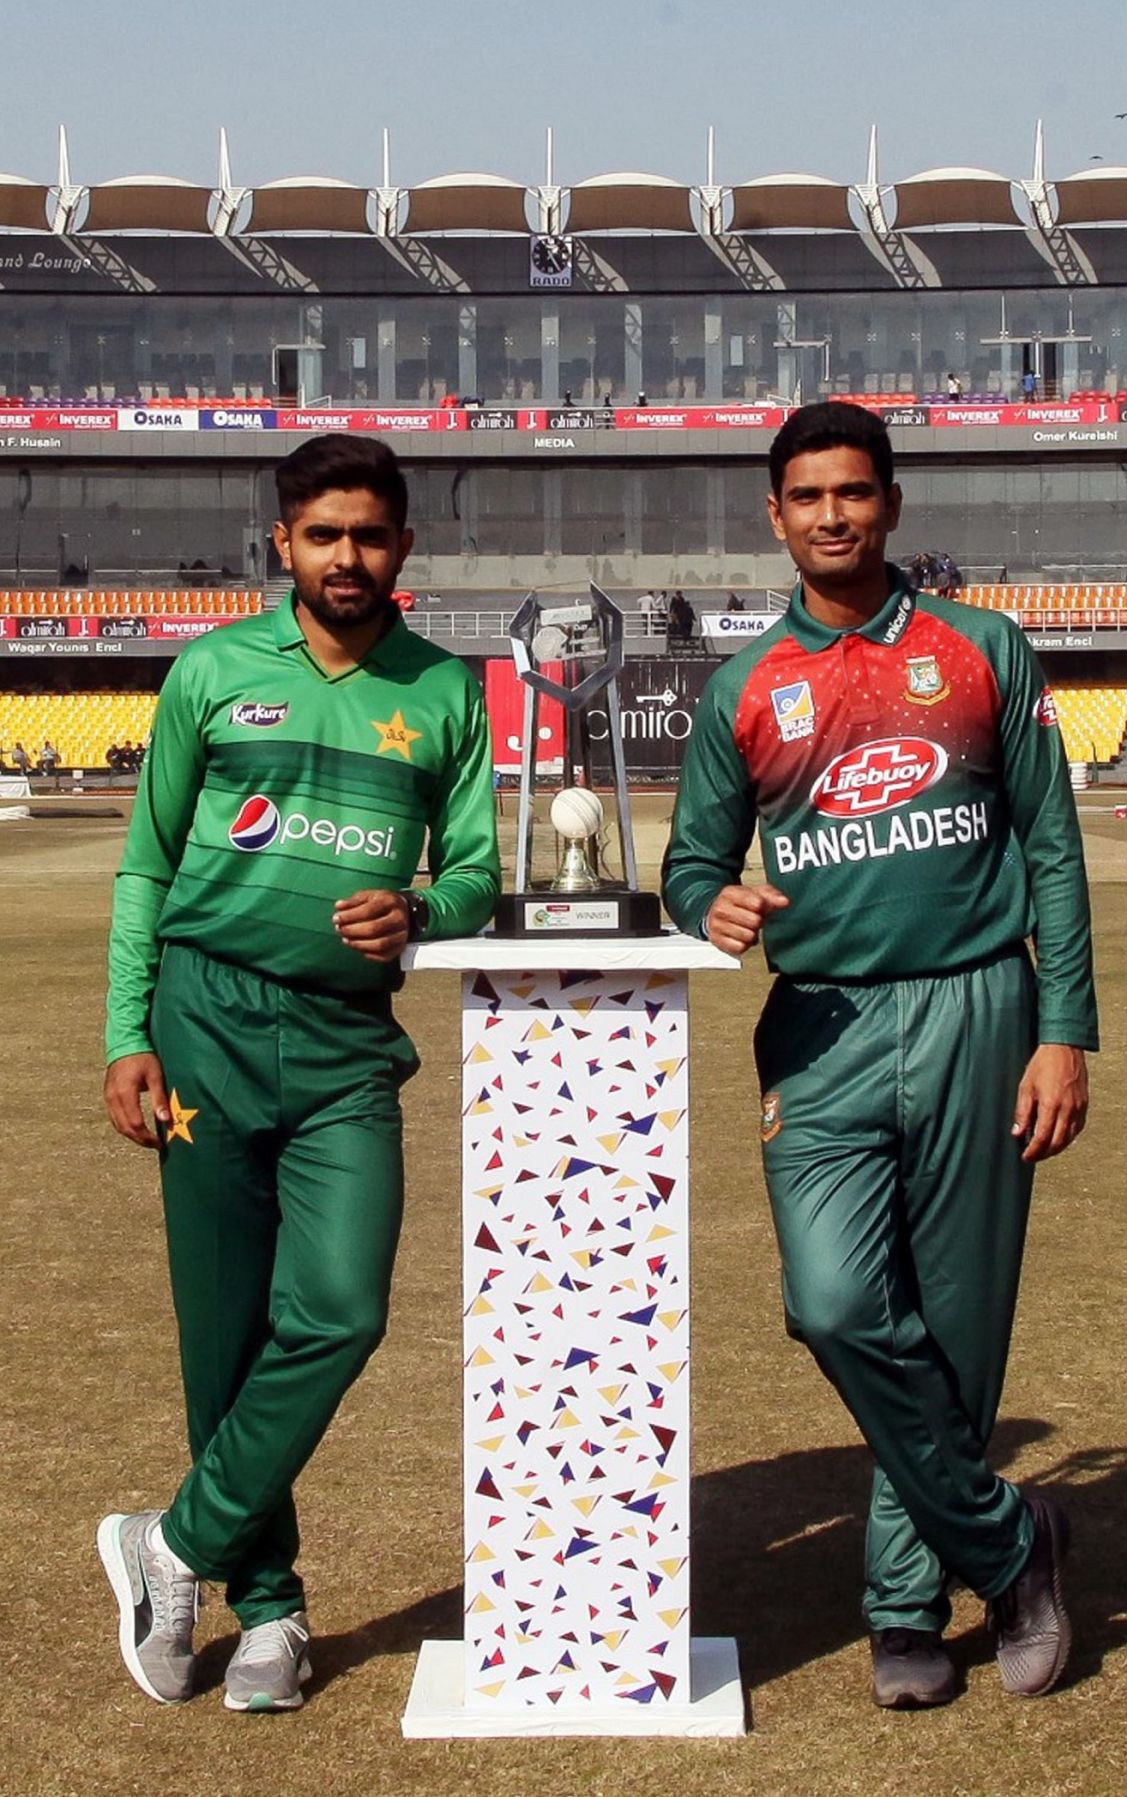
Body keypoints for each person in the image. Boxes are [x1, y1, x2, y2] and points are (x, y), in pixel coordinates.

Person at [663, 401, 1096, 1711]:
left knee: (955, 1325)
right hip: (823, 1023)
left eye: (856, 491)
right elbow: (690, 861)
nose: (834, 514)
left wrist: (1065, 1031)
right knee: (837, 1304)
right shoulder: (745, 689)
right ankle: (1012, 1542)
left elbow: (1054, 850)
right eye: (809, 496)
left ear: (893, 505)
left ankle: (906, 1609)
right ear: (776, 516)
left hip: (979, 1005)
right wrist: (708, 906)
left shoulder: (980, 651)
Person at [97, 434, 500, 1714]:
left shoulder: (443, 690)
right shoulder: (214, 671)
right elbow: (149, 865)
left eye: (370, 535)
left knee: (340, 1310)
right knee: (222, 1337)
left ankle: (173, 1545)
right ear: (284, 542)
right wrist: (126, 1031)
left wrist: (424, 908)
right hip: (203, 1018)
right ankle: (267, 1608)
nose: (347, 557)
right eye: (323, 534)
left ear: (404, 547)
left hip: (342, 1050)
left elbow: (481, 871)